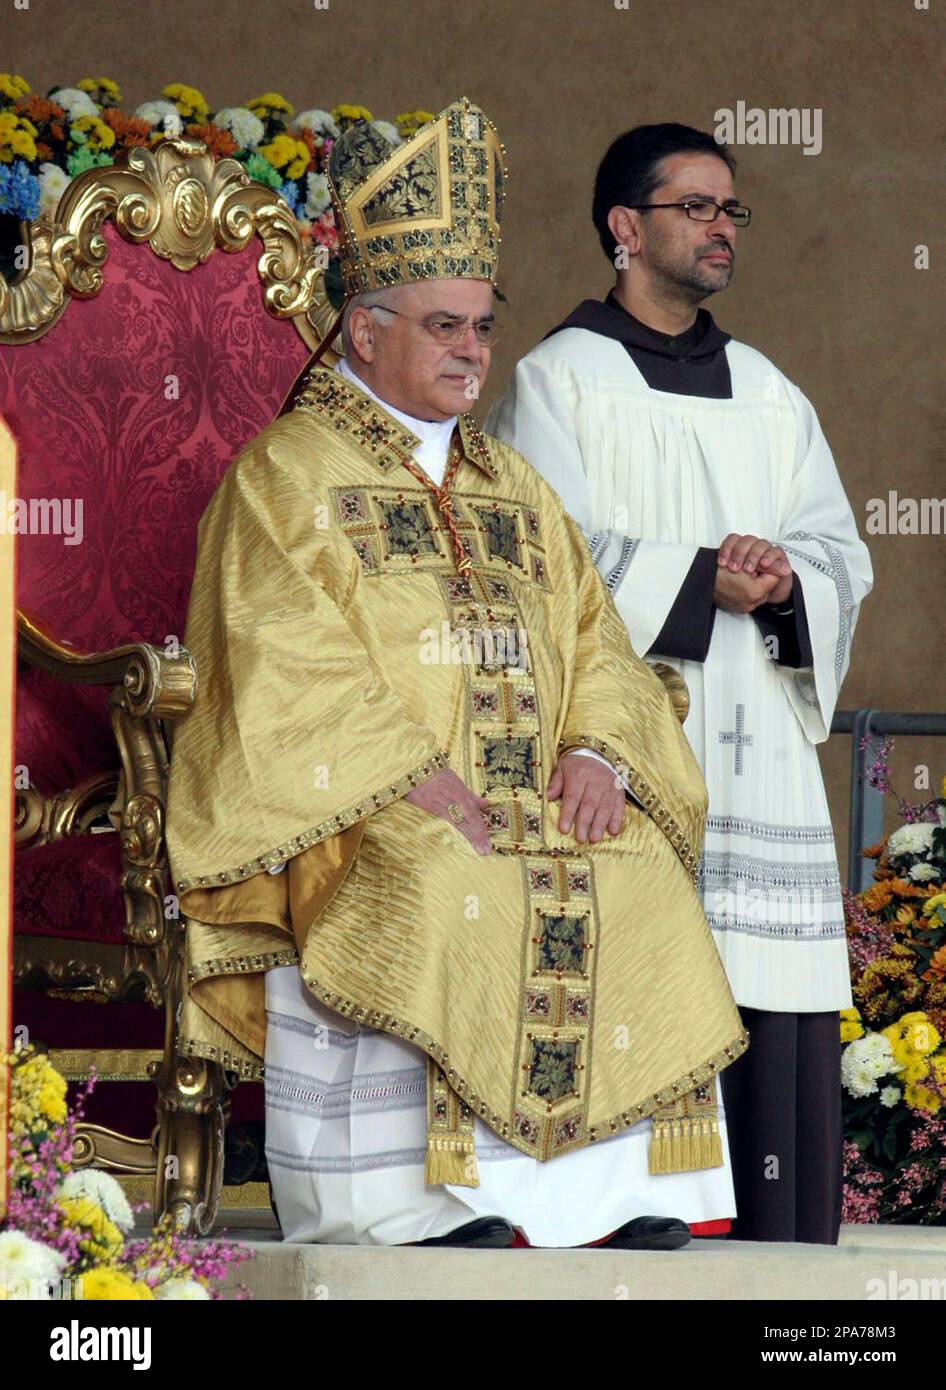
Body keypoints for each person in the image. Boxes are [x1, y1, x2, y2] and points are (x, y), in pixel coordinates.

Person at [166, 100, 747, 1251]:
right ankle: (413, 1202)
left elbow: (595, 641)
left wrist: (597, 753)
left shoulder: (512, 483)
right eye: (443, 326)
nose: (472, 351)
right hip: (363, 807)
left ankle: (598, 1197)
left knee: (634, 865)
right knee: (438, 879)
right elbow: (273, 655)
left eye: (482, 325)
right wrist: (394, 775)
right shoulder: (286, 477)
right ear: (364, 328)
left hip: (535, 792)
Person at [487, 122, 873, 1244]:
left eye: (729, 211)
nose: (720, 229)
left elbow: (841, 549)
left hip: (761, 730)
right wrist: (706, 579)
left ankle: (779, 1246)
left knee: (765, 975)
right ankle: (655, 1232)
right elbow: (545, 564)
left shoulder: (765, 387)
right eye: (695, 207)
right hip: (633, 736)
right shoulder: (558, 379)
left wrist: (786, 576)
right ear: (624, 227)